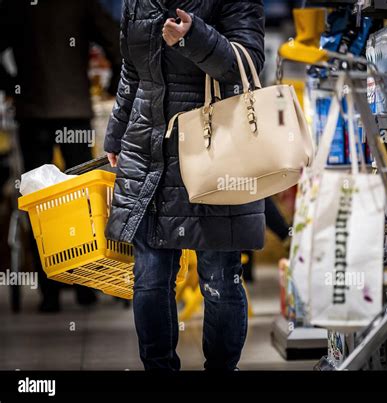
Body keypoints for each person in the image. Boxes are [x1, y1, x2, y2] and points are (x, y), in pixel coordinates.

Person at [104, 0, 265, 370]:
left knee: (221, 278)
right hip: (147, 149)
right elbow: (132, 68)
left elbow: (247, 63)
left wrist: (194, 37)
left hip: (215, 149)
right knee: (149, 278)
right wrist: (116, 132)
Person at [0, 0, 122, 312]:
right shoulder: (82, 4)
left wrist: (12, 86)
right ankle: (84, 284)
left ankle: (50, 292)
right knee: (81, 200)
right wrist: (113, 82)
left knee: (40, 201)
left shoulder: (17, 6)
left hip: (33, 112)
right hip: (74, 109)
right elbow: (115, 39)